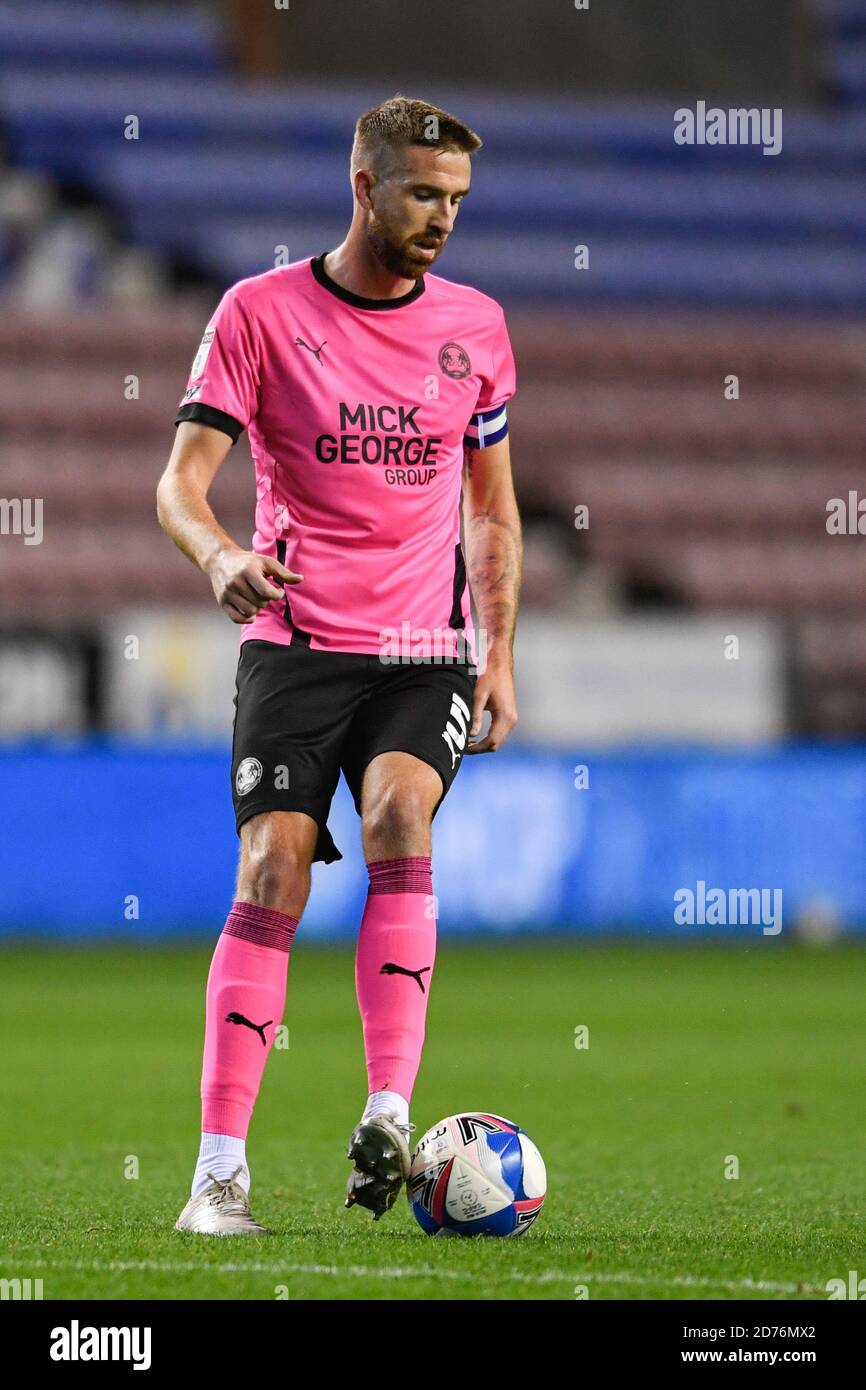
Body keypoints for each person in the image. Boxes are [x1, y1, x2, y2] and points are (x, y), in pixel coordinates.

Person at [157, 95, 521, 1234]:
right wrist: (218, 557)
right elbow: (178, 484)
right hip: (295, 645)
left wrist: (497, 654)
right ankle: (218, 1178)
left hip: (422, 652)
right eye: (422, 194)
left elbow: (494, 514)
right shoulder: (258, 313)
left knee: (400, 818)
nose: (441, 220)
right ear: (362, 186)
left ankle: (386, 1108)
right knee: (272, 869)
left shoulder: (476, 328)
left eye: (457, 201)